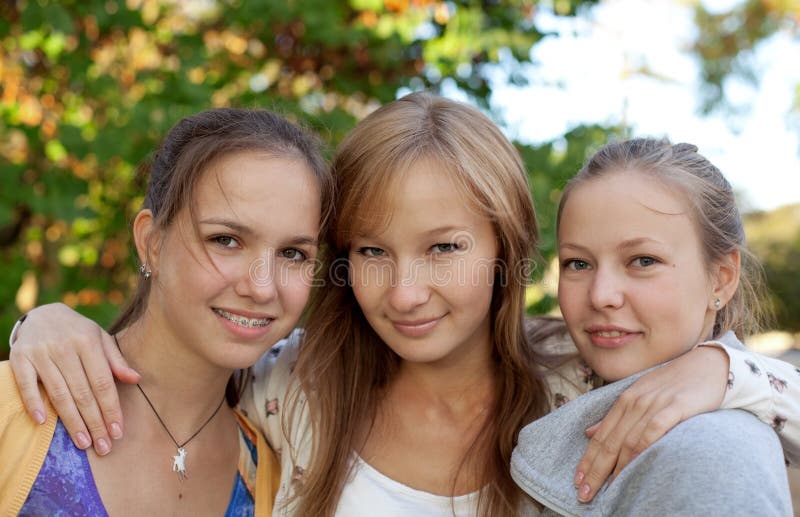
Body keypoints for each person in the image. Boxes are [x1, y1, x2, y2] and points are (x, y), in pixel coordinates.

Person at [9, 94, 800, 515]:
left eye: (445, 248)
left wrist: (720, 365)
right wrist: (44, 322)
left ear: (506, 252)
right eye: (371, 252)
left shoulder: (587, 384)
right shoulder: (288, 393)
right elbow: (174, 355)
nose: (405, 291)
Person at [0, 107, 333, 515]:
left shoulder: (275, 476)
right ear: (151, 243)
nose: (262, 287)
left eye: (293, 253)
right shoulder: (16, 412)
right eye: (225, 240)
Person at [511, 138, 796, 515]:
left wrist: (729, 372)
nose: (602, 295)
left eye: (643, 260)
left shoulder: (714, 457)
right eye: (578, 264)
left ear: (721, 279)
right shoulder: (546, 362)